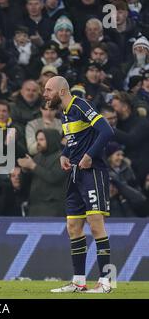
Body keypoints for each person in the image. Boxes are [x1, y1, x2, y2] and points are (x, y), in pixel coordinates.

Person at [43, 76, 114, 293]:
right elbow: (77, 138)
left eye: (48, 90)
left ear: (62, 91)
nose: (45, 94)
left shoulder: (81, 105)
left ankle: (106, 282)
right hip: (75, 174)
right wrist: (65, 154)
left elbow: (106, 131)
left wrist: (90, 155)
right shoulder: (65, 113)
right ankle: (79, 281)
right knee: (73, 227)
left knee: (95, 223)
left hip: (93, 173)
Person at [18, 129, 67, 217]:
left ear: (51, 139)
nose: (38, 143)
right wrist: (24, 170)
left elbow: (54, 177)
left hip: (53, 207)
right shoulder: (37, 157)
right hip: (34, 206)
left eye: (41, 140)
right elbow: (26, 182)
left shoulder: (62, 157)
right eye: (37, 140)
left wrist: (33, 166)